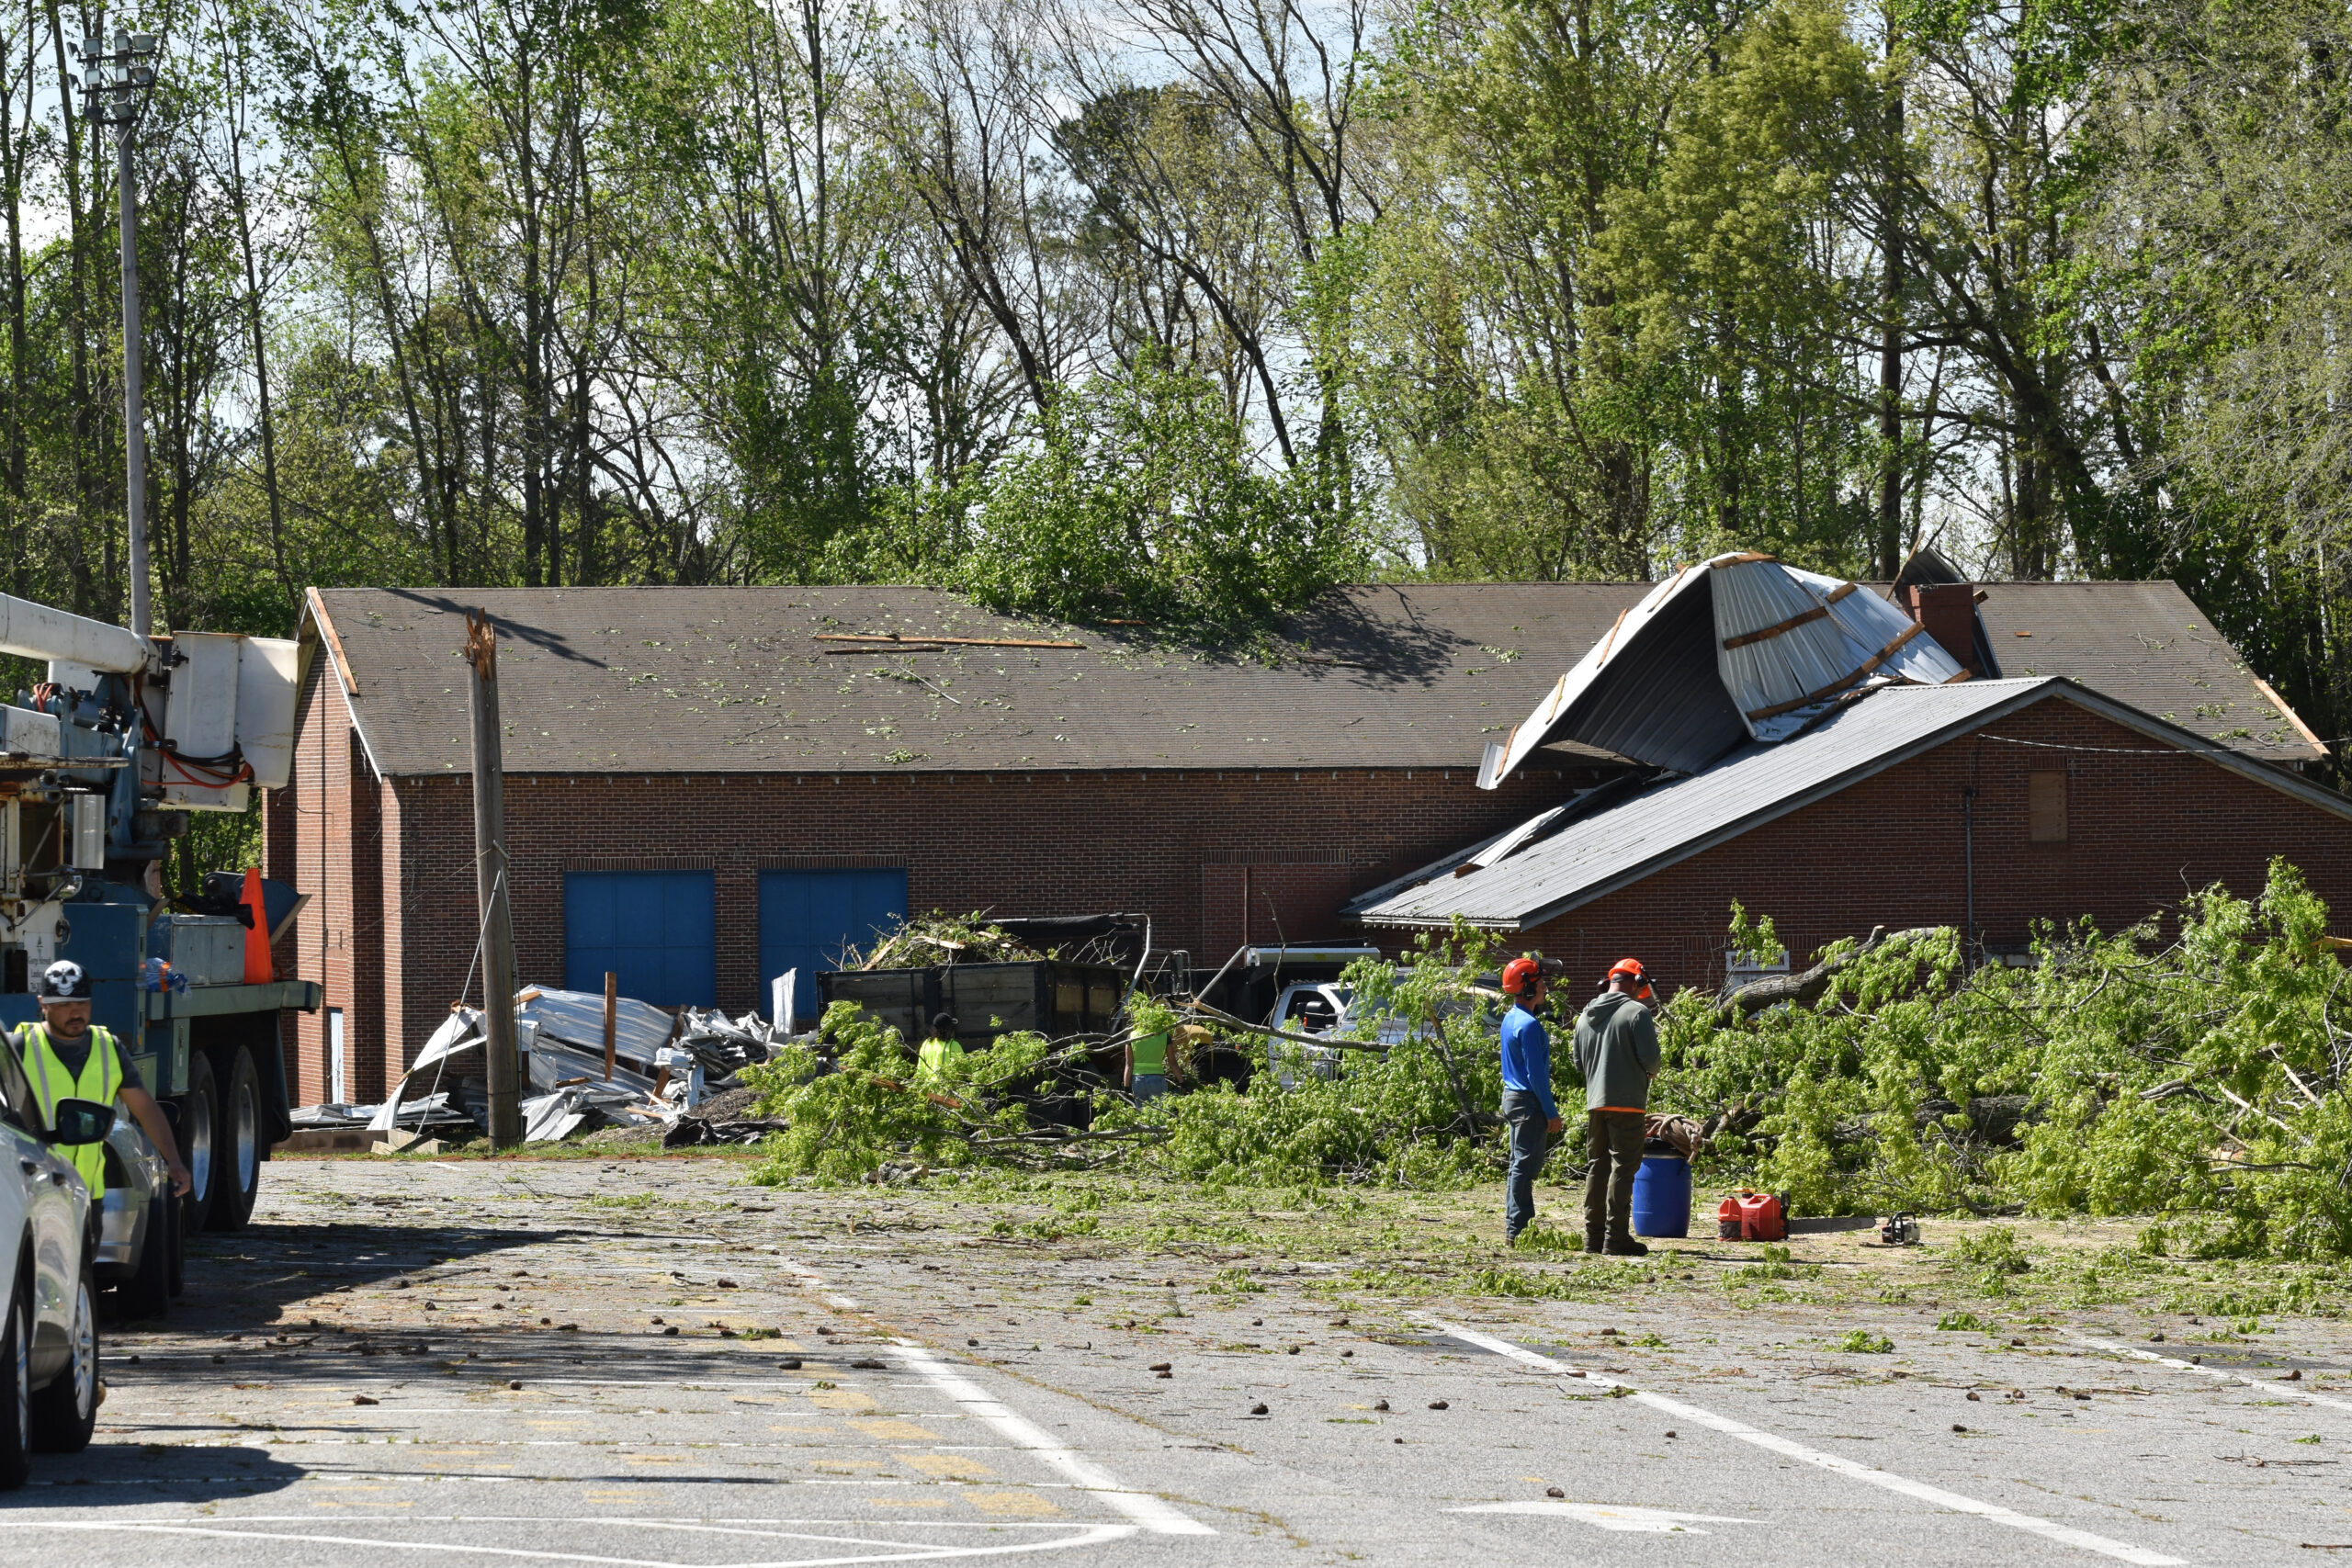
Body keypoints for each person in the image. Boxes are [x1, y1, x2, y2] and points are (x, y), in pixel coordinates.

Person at [14, 959, 191, 1201]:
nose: (75, 1012)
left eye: (82, 1003)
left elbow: (145, 1109)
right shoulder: (21, 1047)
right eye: (64, 1004)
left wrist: (174, 1160)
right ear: (43, 1004)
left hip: (87, 1197)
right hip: (33, 1198)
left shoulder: (108, 1048)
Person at [1573, 957, 1662, 1257]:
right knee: (1623, 1169)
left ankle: (1593, 1238)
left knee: (1597, 1167)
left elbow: (1578, 1064)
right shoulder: (1637, 1012)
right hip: (1628, 1104)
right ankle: (1616, 1238)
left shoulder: (1585, 1016)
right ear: (1636, 983)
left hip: (1595, 1104)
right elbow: (1652, 1060)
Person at [1497, 955, 1562, 1246]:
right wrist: (1551, 1112)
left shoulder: (1510, 1019)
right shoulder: (1530, 1026)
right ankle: (1519, 1230)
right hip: (1528, 1102)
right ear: (1527, 989)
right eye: (1540, 982)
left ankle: (1518, 1225)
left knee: (1518, 1165)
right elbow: (1536, 1076)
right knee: (1525, 1167)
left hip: (1512, 1098)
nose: (1545, 987)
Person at [915, 1012, 966, 1084]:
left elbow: (920, 1070)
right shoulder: (953, 1045)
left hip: (929, 1087)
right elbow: (964, 1069)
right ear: (947, 1029)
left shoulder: (926, 1044)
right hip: (946, 1088)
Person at [1126, 1024, 1170, 1103]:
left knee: (1142, 1110)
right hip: (1157, 1079)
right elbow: (1173, 1062)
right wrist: (1182, 1082)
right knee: (1160, 1109)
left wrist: (1126, 1087)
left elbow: (1129, 1064)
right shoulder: (1164, 1035)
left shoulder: (1132, 1035)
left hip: (1138, 1080)